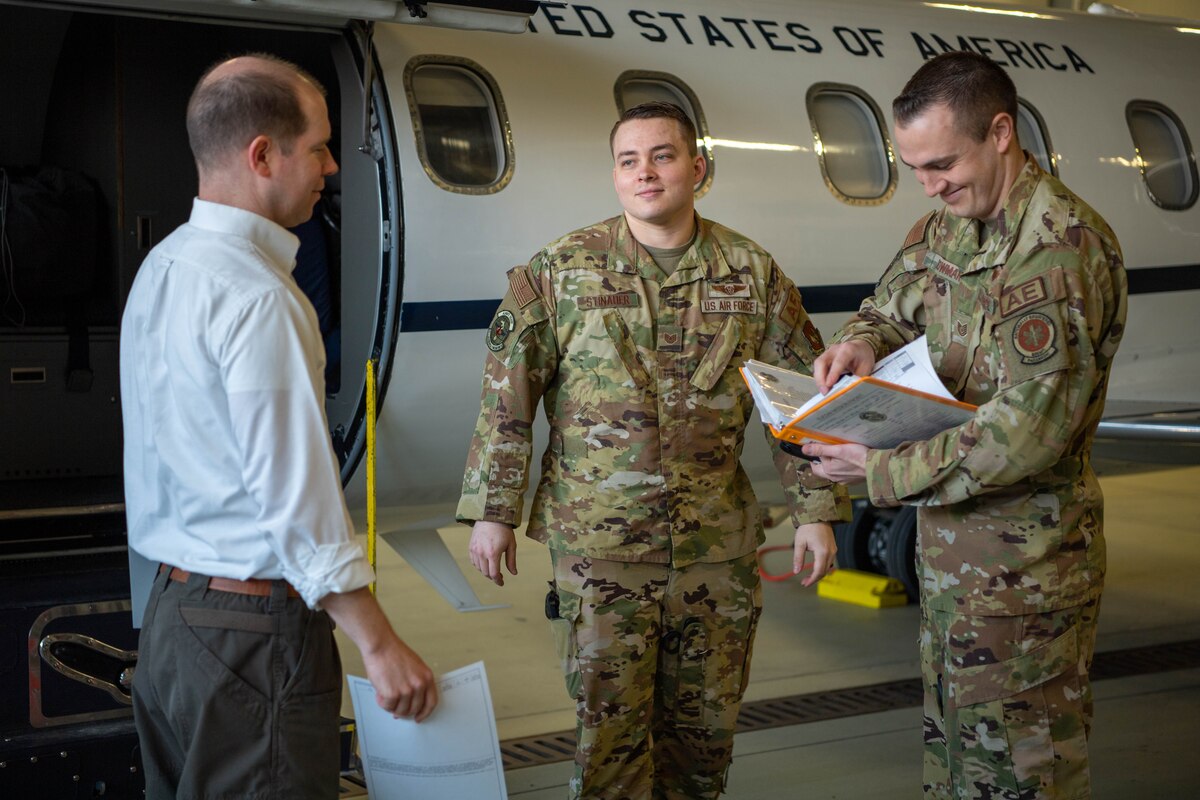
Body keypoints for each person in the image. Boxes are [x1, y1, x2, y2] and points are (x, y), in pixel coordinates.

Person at [458, 101, 850, 800]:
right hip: (600, 548)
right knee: (609, 746)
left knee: (702, 743)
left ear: (697, 168)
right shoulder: (560, 270)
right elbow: (507, 400)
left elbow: (794, 402)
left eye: (662, 156)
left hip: (715, 550)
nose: (645, 172)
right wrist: (494, 511)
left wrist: (816, 511)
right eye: (629, 160)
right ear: (615, 174)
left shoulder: (750, 272)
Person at [805, 52, 1127, 799]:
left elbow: (1027, 432)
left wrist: (878, 471)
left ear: (1001, 133)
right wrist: (861, 342)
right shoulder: (948, 225)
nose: (930, 185)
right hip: (952, 561)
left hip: (1027, 573)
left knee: (1023, 774)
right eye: (916, 169)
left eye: (943, 164)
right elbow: (889, 305)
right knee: (957, 765)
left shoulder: (1057, 250)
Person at [120, 54, 438, 799]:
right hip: (251, 637)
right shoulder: (259, 296)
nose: (331, 167)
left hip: (173, 621)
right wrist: (379, 643)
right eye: (320, 147)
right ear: (263, 155)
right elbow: (294, 496)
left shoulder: (165, 266)